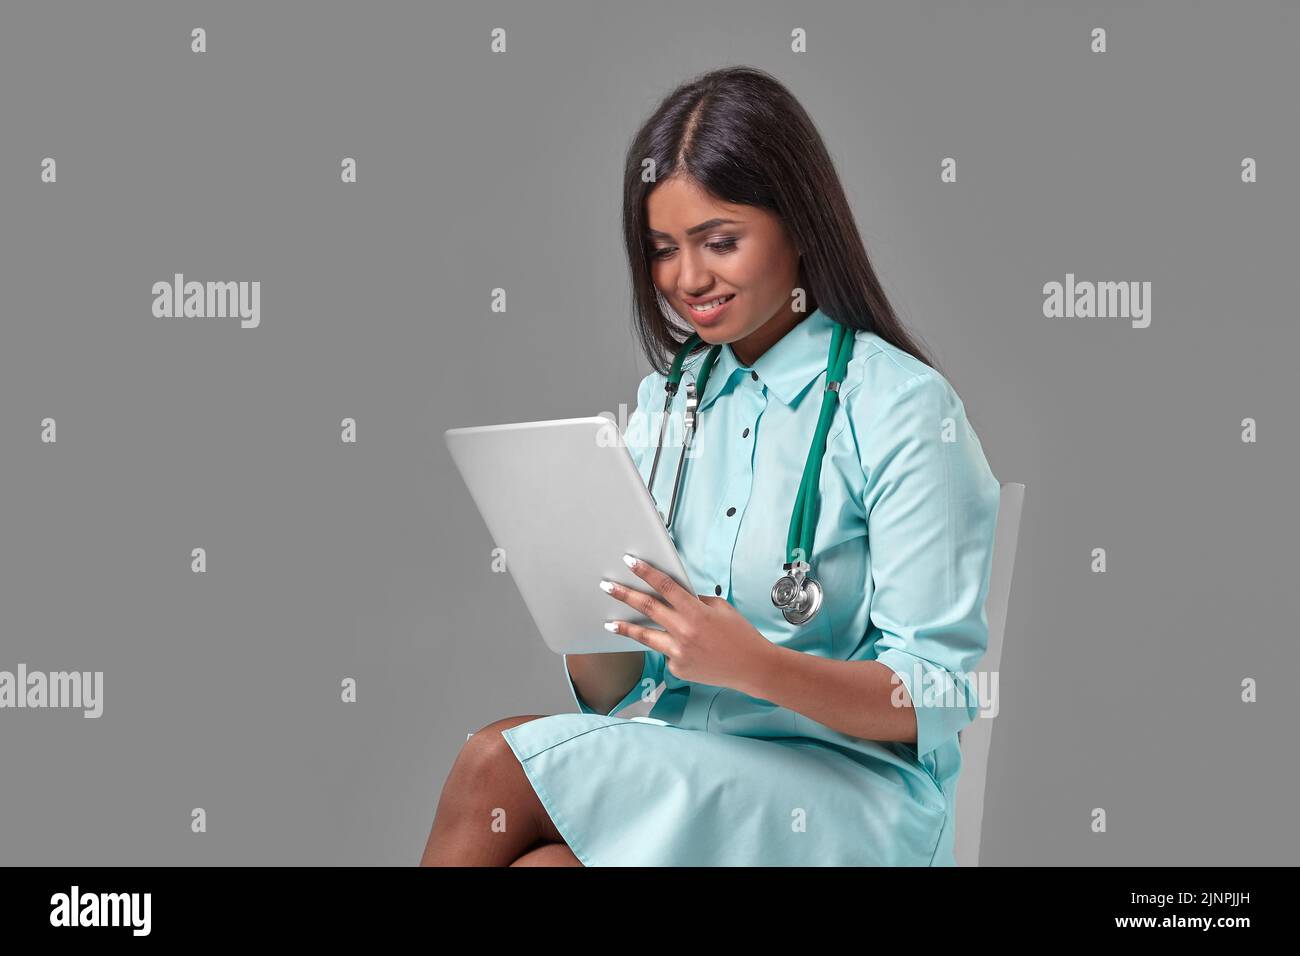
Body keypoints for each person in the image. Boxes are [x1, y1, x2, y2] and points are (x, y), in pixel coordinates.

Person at [420, 65, 1001, 866]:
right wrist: (583, 611)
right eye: (663, 250)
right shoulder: (666, 403)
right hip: (689, 762)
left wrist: (758, 666)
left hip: (850, 795)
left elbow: (935, 693)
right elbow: (624, 695)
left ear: (799, 224)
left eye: (720, 242)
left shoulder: (901, 407)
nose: (688, 280)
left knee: (495, 760)